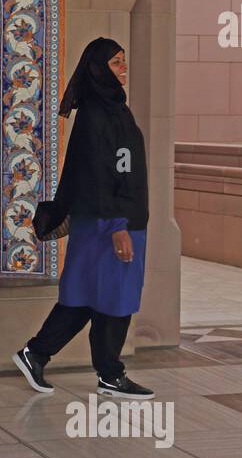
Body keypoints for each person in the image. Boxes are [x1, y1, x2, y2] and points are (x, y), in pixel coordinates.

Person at [12, 37, 153, 399]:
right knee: (114, 298)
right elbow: (102, 175)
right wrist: (119, 227)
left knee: (89, 297)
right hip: (111, 224)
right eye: (116, 62)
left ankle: (37, 353)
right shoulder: (100, 116)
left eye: (123, 61)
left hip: (105, 222)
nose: (123, 68)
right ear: (97, 69)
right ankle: (109, 373)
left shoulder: (109, 109)